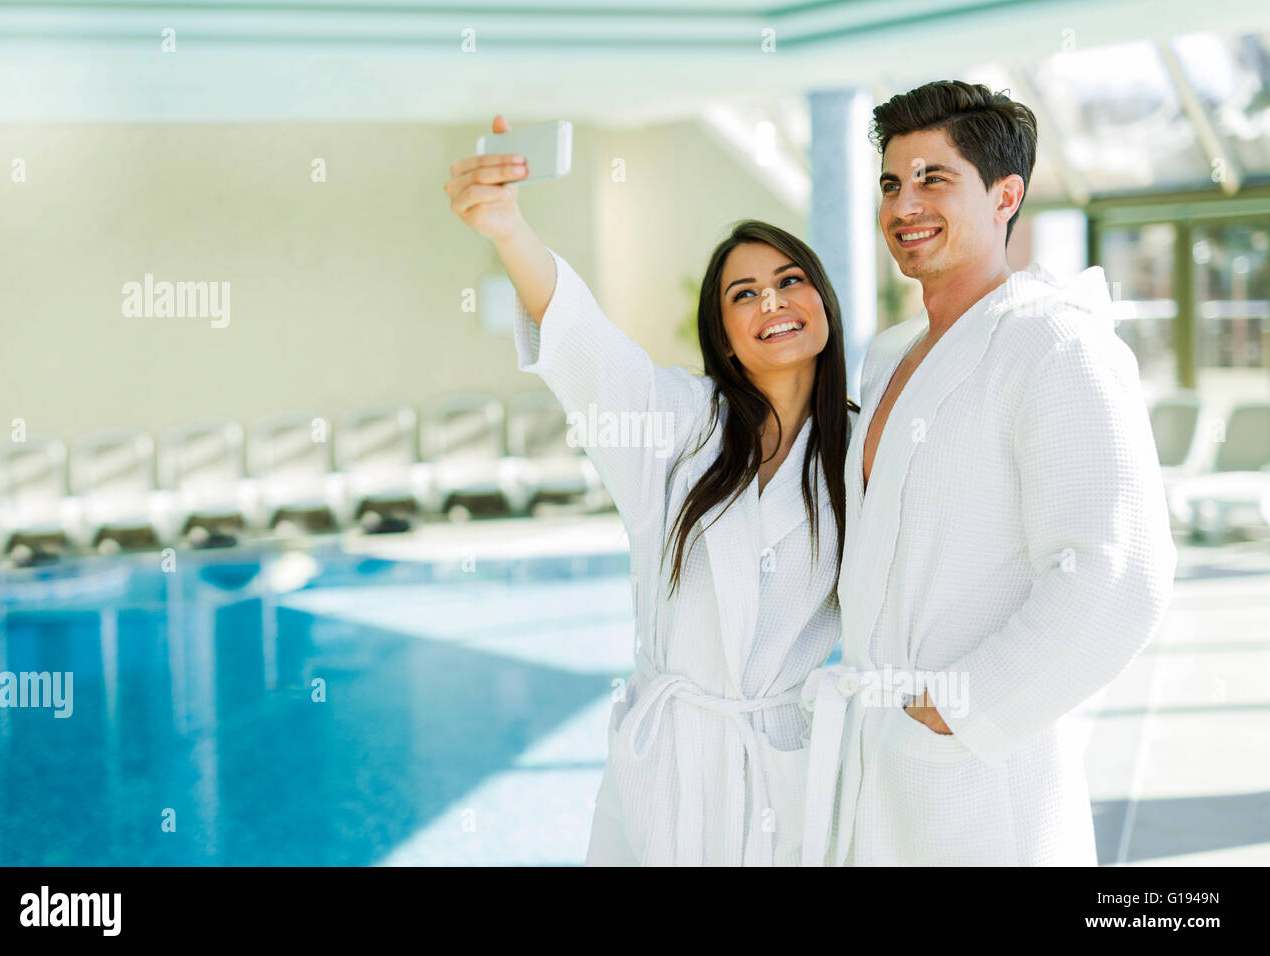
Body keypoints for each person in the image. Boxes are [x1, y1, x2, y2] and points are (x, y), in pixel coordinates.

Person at [445, 115, 859, 865]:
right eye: (745, 294)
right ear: (722, 332)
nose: (773, 302)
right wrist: (508, 229)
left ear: (822, 300)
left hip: (784, 767)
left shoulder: (864, 450)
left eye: (790, 281)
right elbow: (586, 347)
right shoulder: (677, 422)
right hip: (668, 765)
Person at [800, 81, 1176, 866]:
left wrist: (955, 710)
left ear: (1007, 195)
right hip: (877, 757)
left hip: (977, 778)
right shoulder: (892, 353)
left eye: (935, 179)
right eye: (892, 183)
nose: (905, 205)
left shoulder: (1055, 346)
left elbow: (1118, 575)